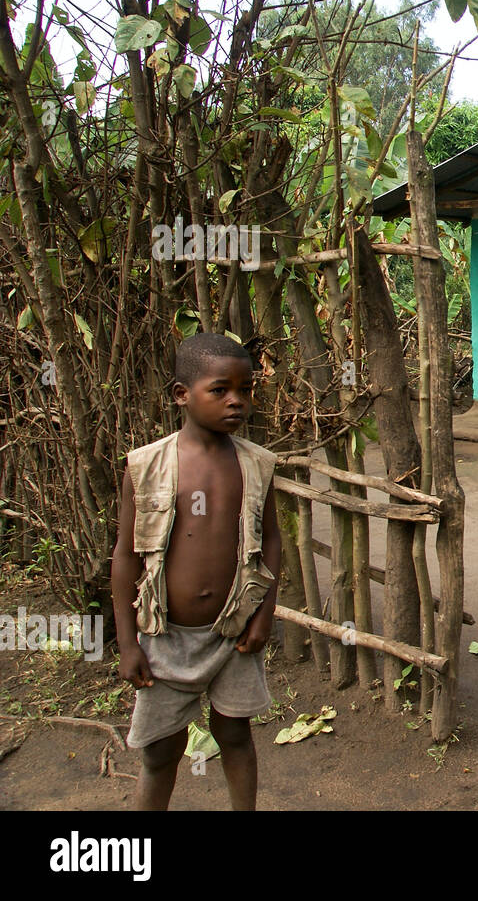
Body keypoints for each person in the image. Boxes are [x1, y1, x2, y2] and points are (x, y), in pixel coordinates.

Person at [110, 332, 282, 810]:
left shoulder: (257, 465)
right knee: (161, 750)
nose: (237, 401)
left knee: (235, 733)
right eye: (220, 390)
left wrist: (263, 614)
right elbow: (126, 555)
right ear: (181, 395)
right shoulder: (146, 467)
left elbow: (271, 542)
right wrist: (128, 644)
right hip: (166, 636)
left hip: (234, 630)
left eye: (246, 390)